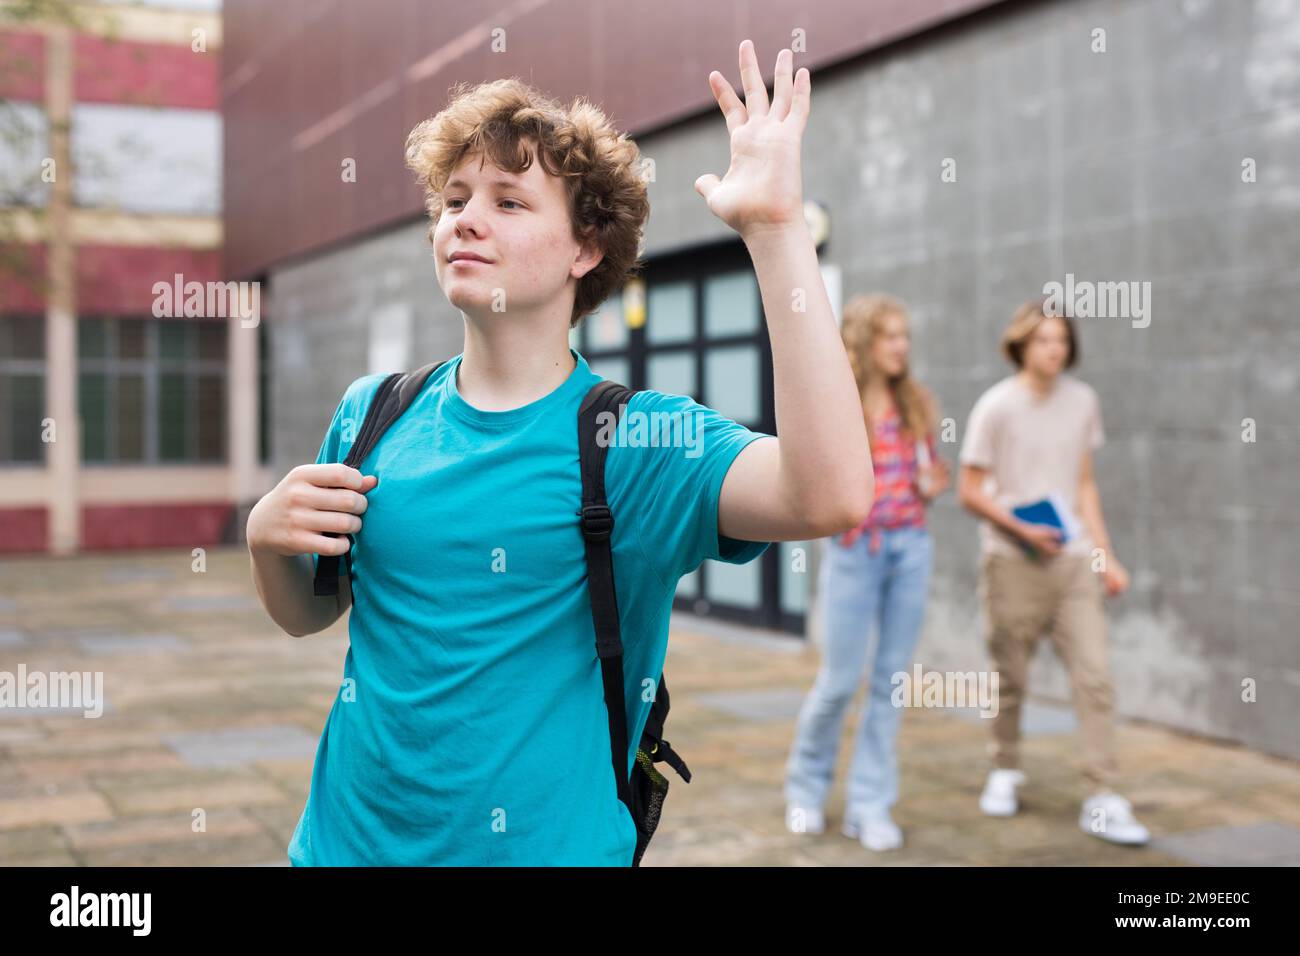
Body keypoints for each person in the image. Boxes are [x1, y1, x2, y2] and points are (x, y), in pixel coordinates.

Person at [245, 41, 875, 865]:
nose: (463, 218)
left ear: (585, 249)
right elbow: (310, 614)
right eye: (454, 197)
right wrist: (266, 540)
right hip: (339, 848)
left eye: (510, 202)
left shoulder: (636, 443)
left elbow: (829, 495)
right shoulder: (372, 413)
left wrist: (776, 229)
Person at [957, 298, 1149, 845]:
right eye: (1044, 339)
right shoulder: (995, 407)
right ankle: (1004, 766)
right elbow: (969, 492)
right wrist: (1021, 528)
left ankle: (1104, 794)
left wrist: (1104, 553)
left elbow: (1083, 482)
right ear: (1021, 344)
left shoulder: (1083, 401)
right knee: (1011, 677)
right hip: (1012, 561)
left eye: (1062, 340)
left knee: (1095, 676)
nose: (1055, 349)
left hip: (1072, 561)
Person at [783, 294, 949, 851]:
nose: (901, 346)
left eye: (905, 336)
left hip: (910, 548)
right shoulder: (840, 405)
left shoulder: (918, 403)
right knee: (838, 681)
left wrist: (933, 484)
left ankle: (870, 805)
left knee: (890, 684)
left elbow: (929, 470)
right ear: (864, 343)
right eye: (890, 336)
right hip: (855, 551)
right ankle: (805, 790)